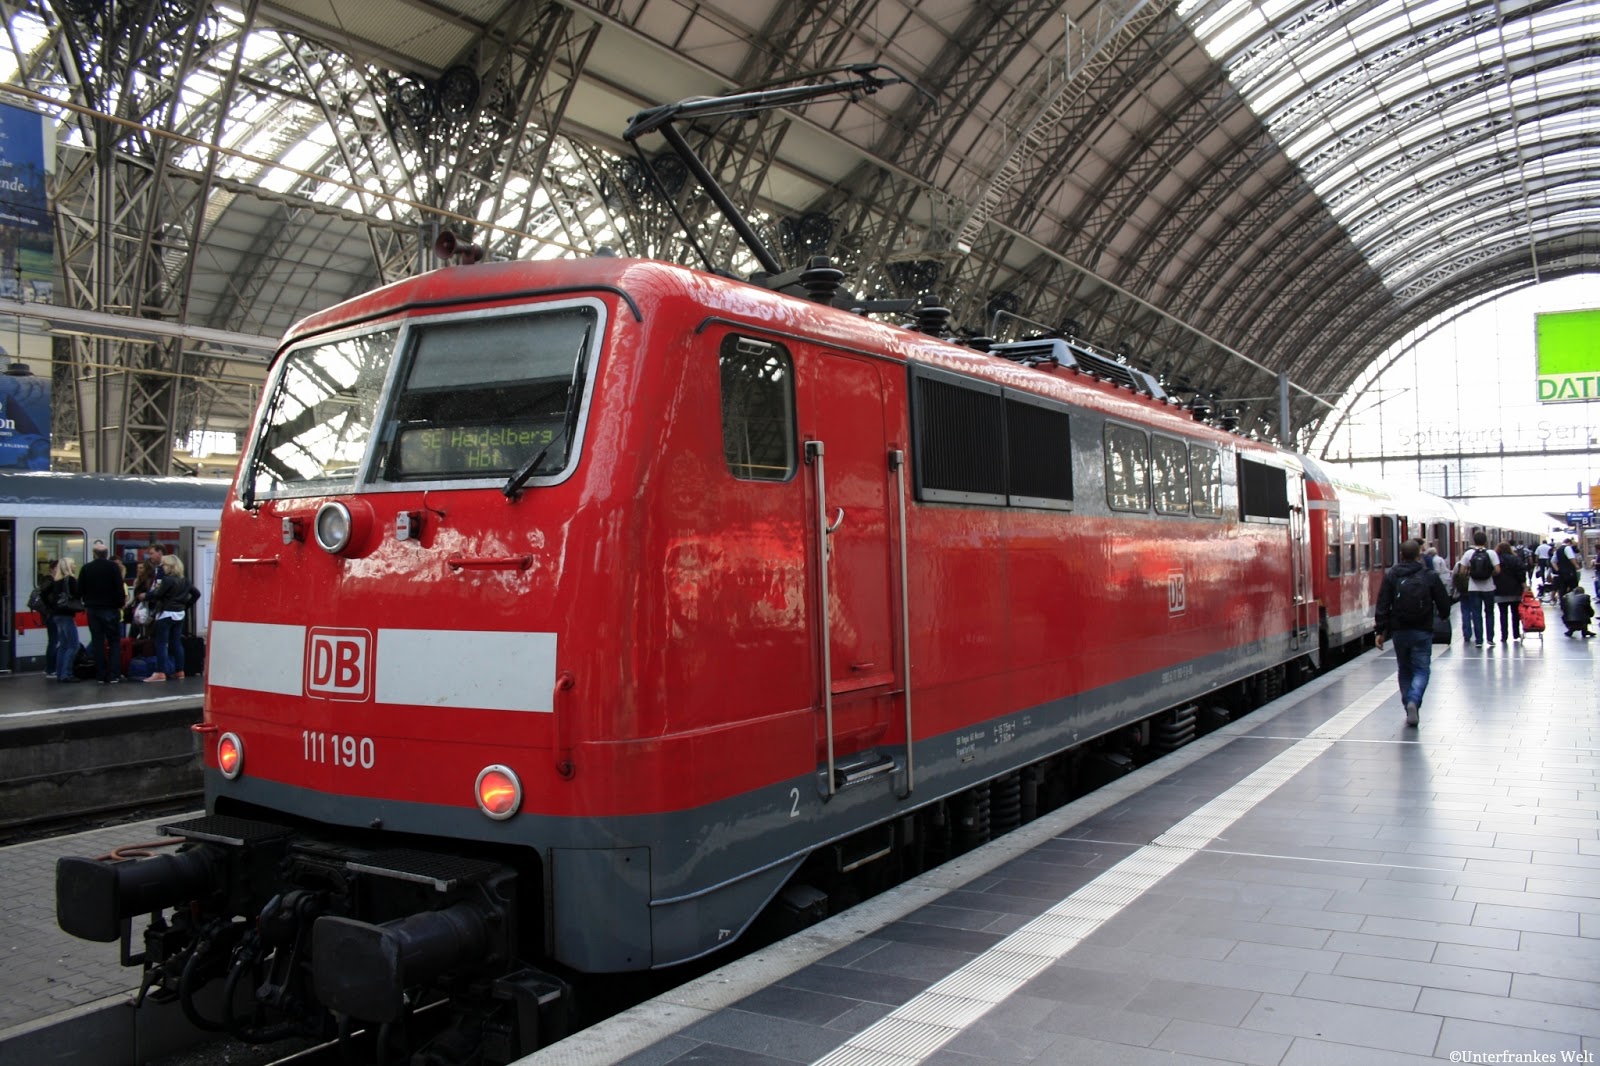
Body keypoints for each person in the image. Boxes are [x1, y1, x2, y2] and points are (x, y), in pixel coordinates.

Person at [1376, 539, 1454, 727]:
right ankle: (1414, 700)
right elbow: (1443, 602)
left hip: (1399, 631)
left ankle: (1408, 704)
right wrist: (1443, 616)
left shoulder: (1392, 575)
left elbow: (1383, 603)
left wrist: (1380, 630)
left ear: (1401, 554)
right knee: (1421, 669)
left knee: (1404, 669)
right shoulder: (1429, 575)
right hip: (1422, 630)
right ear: (1420, 554)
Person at [78, 540, 125, 684]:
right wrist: (119, 605)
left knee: (98, 642)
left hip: (92, 609)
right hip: (110, 609)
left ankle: (100, 674)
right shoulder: (113, 568)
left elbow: (80, 590)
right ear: (106, 554)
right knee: (114, 642)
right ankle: (114, 674)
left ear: (94, 554)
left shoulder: (86, 568)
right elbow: (119, 588)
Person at [144, 553, 191, 682]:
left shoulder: (168, 580)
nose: (162, 567)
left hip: (166, 613)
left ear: (169, 566)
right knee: (176, 642)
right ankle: (180, 671)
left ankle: (160, 672)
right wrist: (185, 605)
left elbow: (158, 594)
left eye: (163, 564)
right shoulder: (185, 580)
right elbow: (196, 593)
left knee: (161, 643)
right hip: (180, 613)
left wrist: (146, 596)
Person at [1454, 530, 1500, 646]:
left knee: (1476, 613)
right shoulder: (1491, 553)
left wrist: (1471, 575)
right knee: (1489, 613)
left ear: (1474, 541)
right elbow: (1498, 570)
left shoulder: (1469, 553)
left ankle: (1479, 640)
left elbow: (1462, 571)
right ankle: (1490, 638)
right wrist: (1489, 574)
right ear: (1486, 541)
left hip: (1473, 588)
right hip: (1489, 588)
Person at [45, 557, 83, 682]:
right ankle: (67, 673)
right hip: (67, 614)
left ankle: (59, 673)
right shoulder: (70, 580)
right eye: (72, 564)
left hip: (57, 615)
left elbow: (46, 595)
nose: (75, 566)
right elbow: (78, 594)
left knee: (63, 645)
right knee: (73, 645)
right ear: (67, 566)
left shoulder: (57, 581)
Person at [1492, 540, 1526, 643]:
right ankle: (1516, 634)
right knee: (1515, 613)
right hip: (1515, 591)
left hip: (1500, 591)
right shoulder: (1515, 559)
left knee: (1503, 614)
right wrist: (1524, 586)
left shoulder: (1496, 560)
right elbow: (1521, 573)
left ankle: (1504, 636)